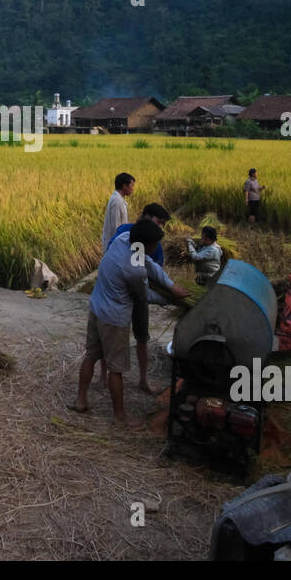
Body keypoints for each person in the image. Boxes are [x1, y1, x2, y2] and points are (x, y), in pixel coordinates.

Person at [72, 219, 189, 425]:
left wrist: (171, 286)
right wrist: (172, 299)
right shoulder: (133, 270)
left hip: (96, 307)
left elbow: (150, 265)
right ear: (145, 245)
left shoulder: (124, 239)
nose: (156, 248)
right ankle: (120, 417)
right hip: (114, 319)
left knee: (91, 356)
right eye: (154, 245)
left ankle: (81, 400)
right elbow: (144, 296)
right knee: (116, 369)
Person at [103, 202, 172, 392]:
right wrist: (169, 297)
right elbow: (114, 259)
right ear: (147, 216)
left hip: (141, 295)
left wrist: (168, 290)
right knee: (110, 337)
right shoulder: (125, 232)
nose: (160, 228)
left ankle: (143, 379)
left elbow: (154, 271)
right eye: (159, 222)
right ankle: (103, 377)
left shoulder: (153, 244)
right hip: (120, 297)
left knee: (142, 337)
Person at [101, 173, 135, 247]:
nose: (133, 189)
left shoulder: (118, 199)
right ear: (124, 186)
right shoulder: (116, 201)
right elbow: (115, 227)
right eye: (131, 186)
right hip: (115, 245)